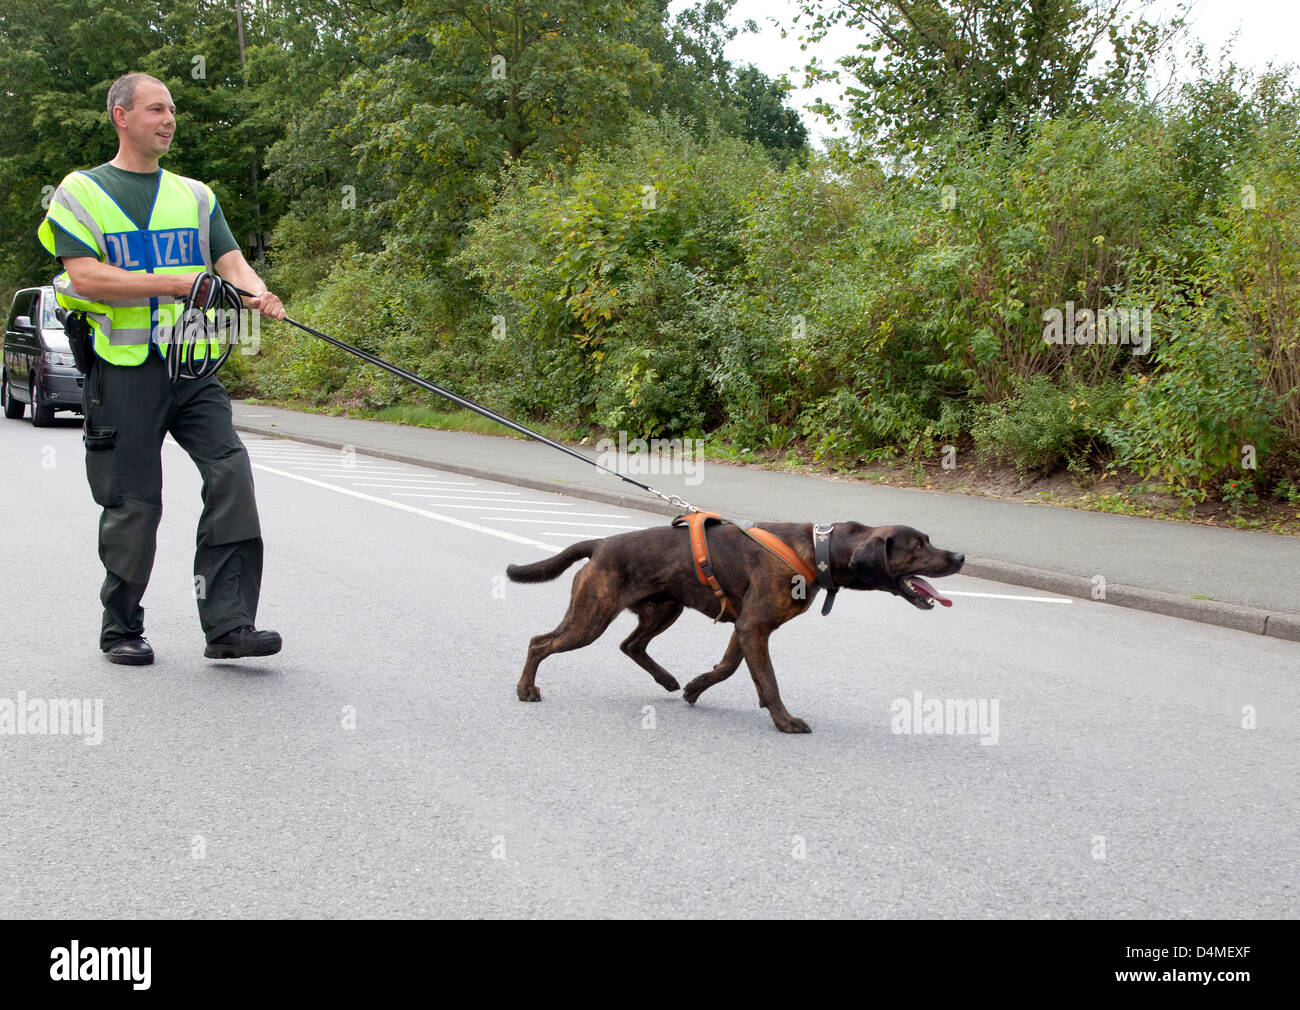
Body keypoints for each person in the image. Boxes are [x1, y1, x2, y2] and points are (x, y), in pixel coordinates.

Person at [38, 72, 284, 666]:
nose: (169, 119)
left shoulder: (195, 195)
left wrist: (257, 292)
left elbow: (230, 261)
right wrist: (176, 282)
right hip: (124, 369)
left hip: (192, 367)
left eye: (171, 110)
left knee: (231, 474)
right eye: (155, 109)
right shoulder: (81, 191)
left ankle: (229, 626)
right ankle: (121, 627)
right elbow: (86, 276)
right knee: (135, 503)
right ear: (121, 116)